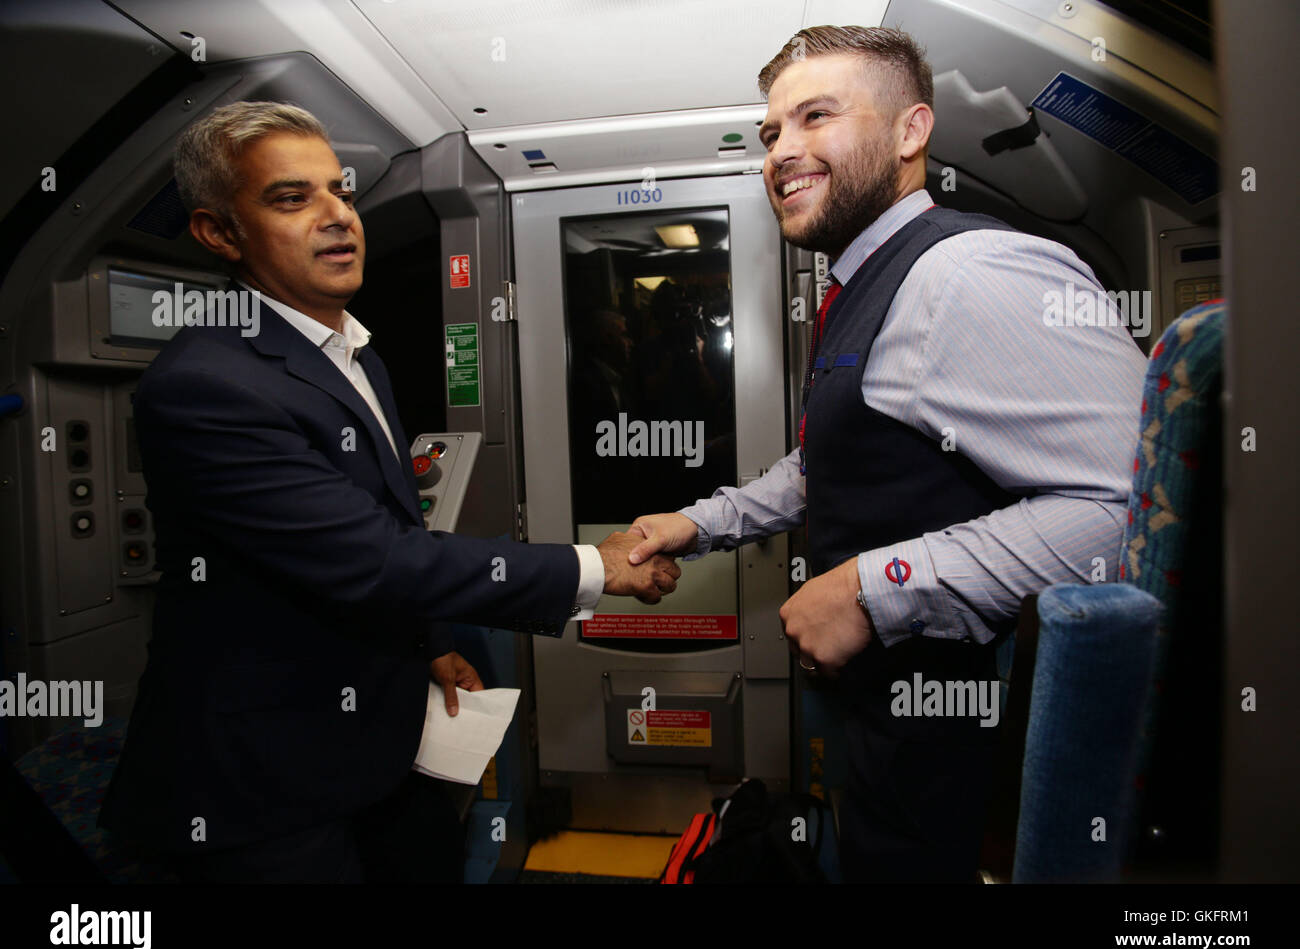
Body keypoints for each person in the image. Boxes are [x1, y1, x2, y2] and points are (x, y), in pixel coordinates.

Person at [97, 101, 680, 882]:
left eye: (340, 191)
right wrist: (597, 567)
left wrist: (433, 642)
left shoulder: (357, 355)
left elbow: (383, 523)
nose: (339, 217)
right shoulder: (207, 385)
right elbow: (371, 558)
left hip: (378, 739)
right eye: (291, 198)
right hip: (259, 788)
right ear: (218, 233)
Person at [626, 26, 1146, 882]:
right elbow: (835, 457)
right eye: (770, 134)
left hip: (964, 746)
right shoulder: (865, 283)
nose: (780, 152)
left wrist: (880, 588)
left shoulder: (968, 275)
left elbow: (1129, 512)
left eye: (815, 116)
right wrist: (699, 523)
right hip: (890, 724)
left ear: (911, 133)